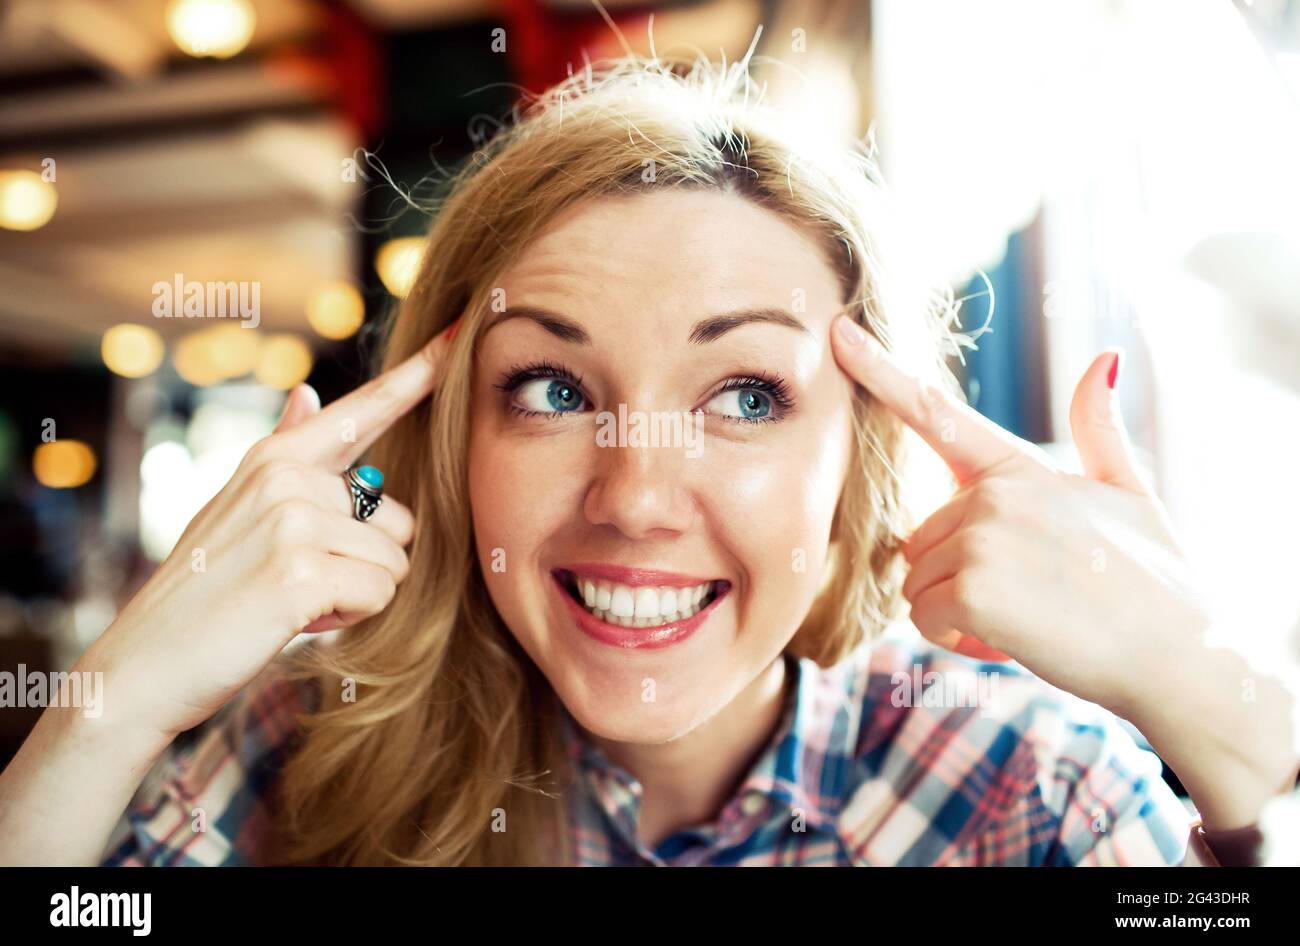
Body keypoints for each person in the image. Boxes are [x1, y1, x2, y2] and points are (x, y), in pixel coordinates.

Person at [1, 54, 1296, 867]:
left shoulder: (1028, 791)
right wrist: (113, 696)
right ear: (454, 441)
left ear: (861, 449)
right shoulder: (305, 747)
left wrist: (1226, 706)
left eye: (742, 395)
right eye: (552, 389)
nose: (631, 499)